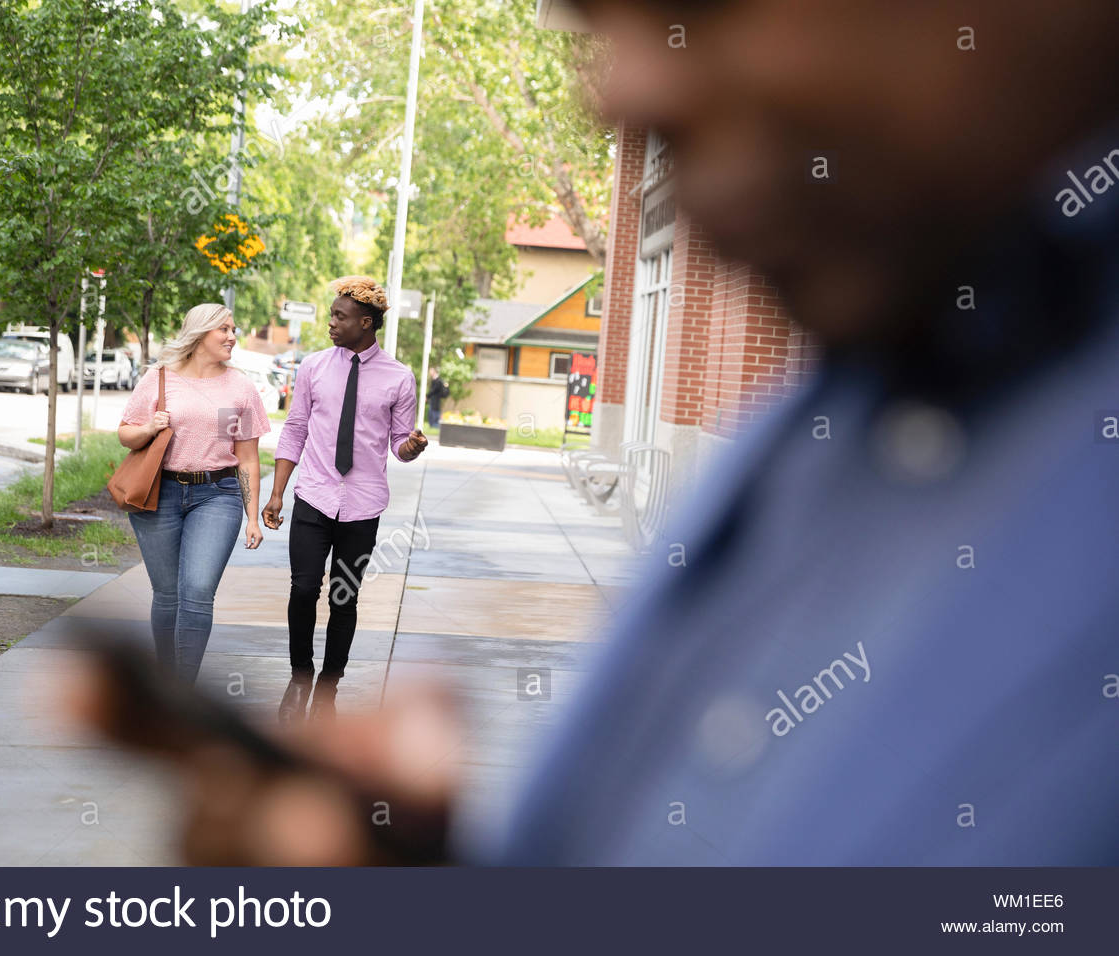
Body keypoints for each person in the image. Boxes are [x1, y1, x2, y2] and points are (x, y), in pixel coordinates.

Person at [81, 0, 1119, 864]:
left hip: (363, 501)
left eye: (693, 9)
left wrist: (399, 450)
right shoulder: (818, 419)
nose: (620, 89)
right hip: (311, 499)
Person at [261, 276, 428, 723]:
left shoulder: (399, 378)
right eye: (332, 314)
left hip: (363, 504)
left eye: (340, 316)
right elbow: (294, 429)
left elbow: (399, 443)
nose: (331, 323)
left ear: (366, 323)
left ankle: (328, 689)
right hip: (314, 494)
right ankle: (300, 677)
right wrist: (276, 492)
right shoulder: (314, 367)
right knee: (302, 590)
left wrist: (410, 448)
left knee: (343, 598)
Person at [117, 303, 270, 685]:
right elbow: (126, 433)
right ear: (200, 334)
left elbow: (248, 459)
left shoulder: (240, 388)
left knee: (198, 591)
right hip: (160, 493)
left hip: (218, 495)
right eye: (224, 329)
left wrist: (252, 516)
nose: (233, 336)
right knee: (167, 595)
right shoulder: (160, 378)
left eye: (234, 328)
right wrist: (150, 427)